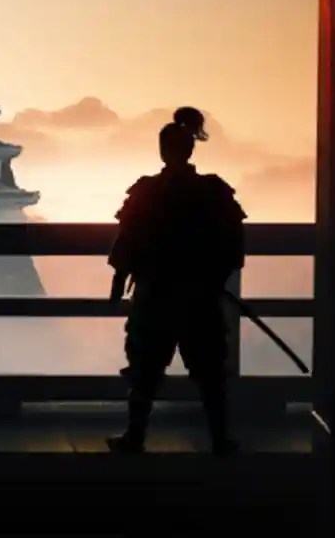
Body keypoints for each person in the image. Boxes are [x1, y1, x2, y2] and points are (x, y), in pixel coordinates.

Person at [105, 106, 246, 455]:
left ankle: (134, 437)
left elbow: (128, 240)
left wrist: (118, 280)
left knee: (145, 369)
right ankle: (220, 439)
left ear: (163, 150)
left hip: (155, 293)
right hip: (200, 296)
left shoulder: (147, 191)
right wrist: (214, 279)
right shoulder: (213, 192)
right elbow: (232, 244)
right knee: (210, 371)